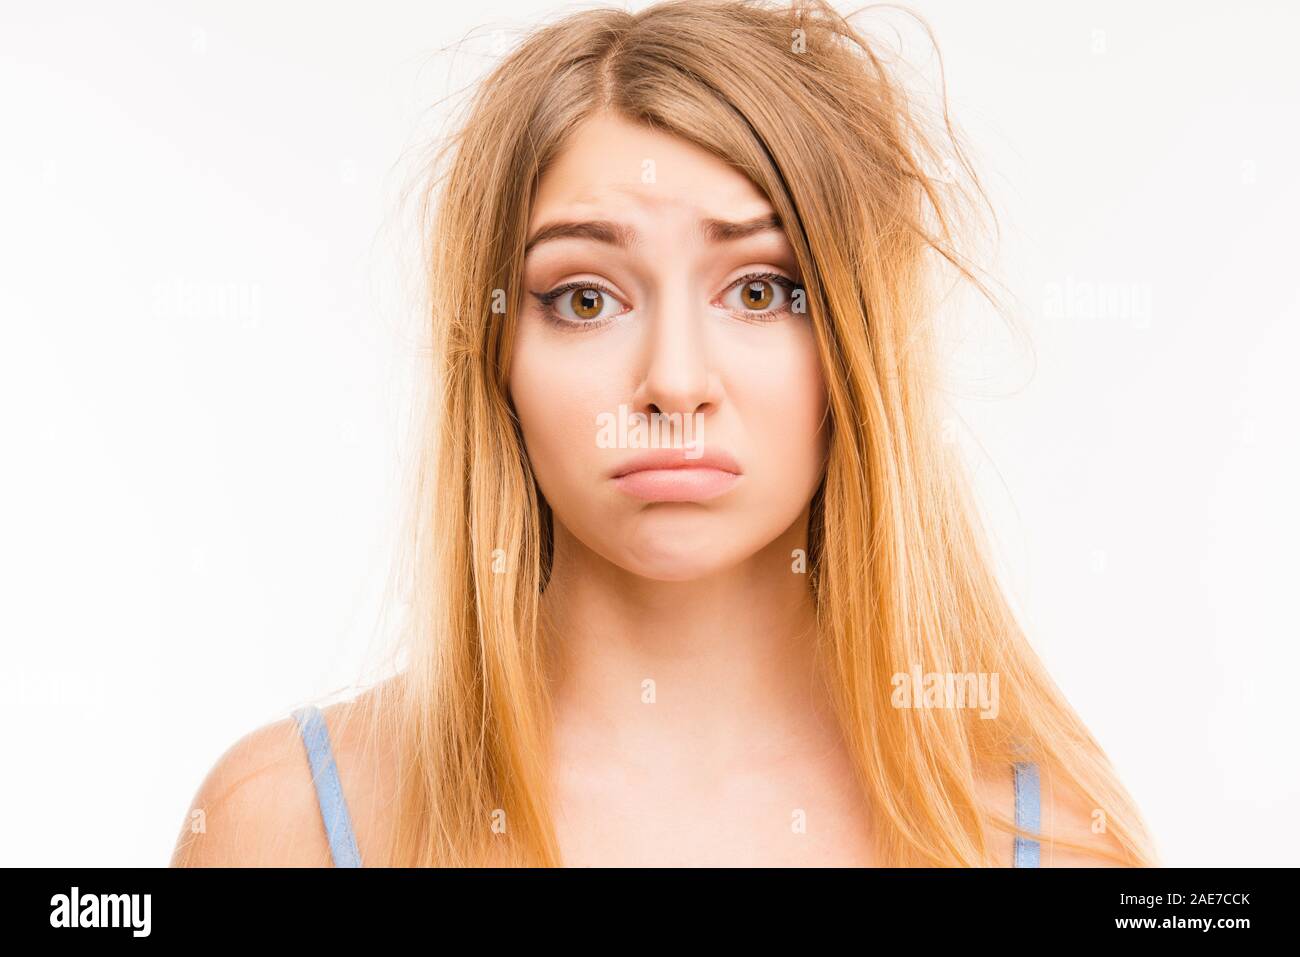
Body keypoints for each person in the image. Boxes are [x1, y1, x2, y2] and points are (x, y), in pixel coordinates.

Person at [171, 0, 1159, 868]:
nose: (674, 382)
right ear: (496, 355)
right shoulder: (285, 822)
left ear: (856, 347)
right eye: (587, 298)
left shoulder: (1054, 841)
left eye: (761, 290)